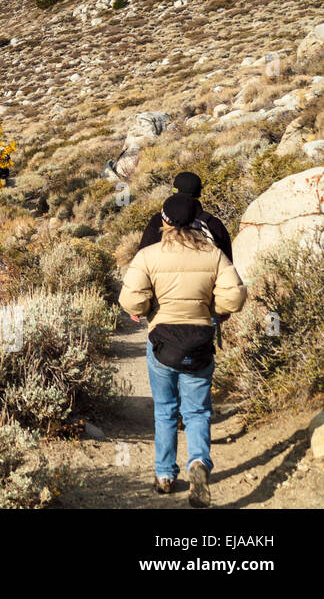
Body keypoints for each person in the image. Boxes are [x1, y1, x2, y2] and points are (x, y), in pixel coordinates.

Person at [119, 194, 247, 508]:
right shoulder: (214, 255)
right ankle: (198, 464)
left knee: (165, 411)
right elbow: (235, 299)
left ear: (164, 222)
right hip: (200, 340)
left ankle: (164, 475)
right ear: (194, 222)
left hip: (161, 341)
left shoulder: (148, 256)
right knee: (198, 411)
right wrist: (213, 311)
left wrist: (148, 309)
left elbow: (131, 301)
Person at [138, 171, 232, 261]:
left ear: (174, 192)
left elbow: (143, 256)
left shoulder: (158, 221)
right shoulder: (214, 224)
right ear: (198, 195)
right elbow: (227, 262)